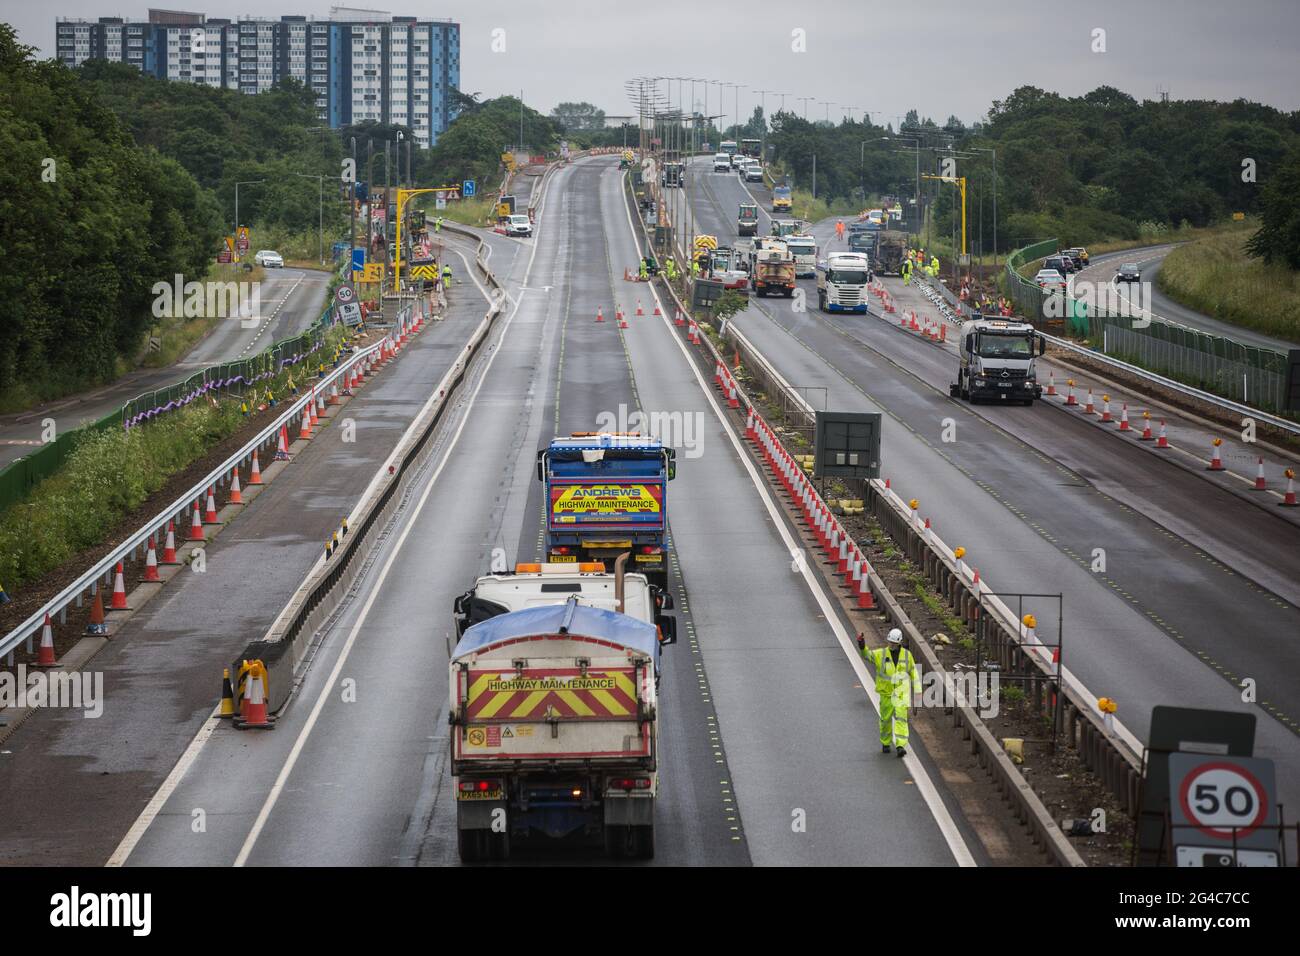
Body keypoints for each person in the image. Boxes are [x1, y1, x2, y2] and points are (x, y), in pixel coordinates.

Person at [856, 628, 921, 757]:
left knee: (901, 719)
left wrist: (918, 693)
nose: (891, 645)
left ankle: (900, 745)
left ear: (899, 643)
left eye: (894, 643)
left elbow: (914, 674)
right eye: (890, 642)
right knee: (885, 720)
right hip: (886, 694)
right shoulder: (881, 654)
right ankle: (885, 742)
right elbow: (867, 655)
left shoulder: (907, 656)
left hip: (901, 695)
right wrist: (862, 645)